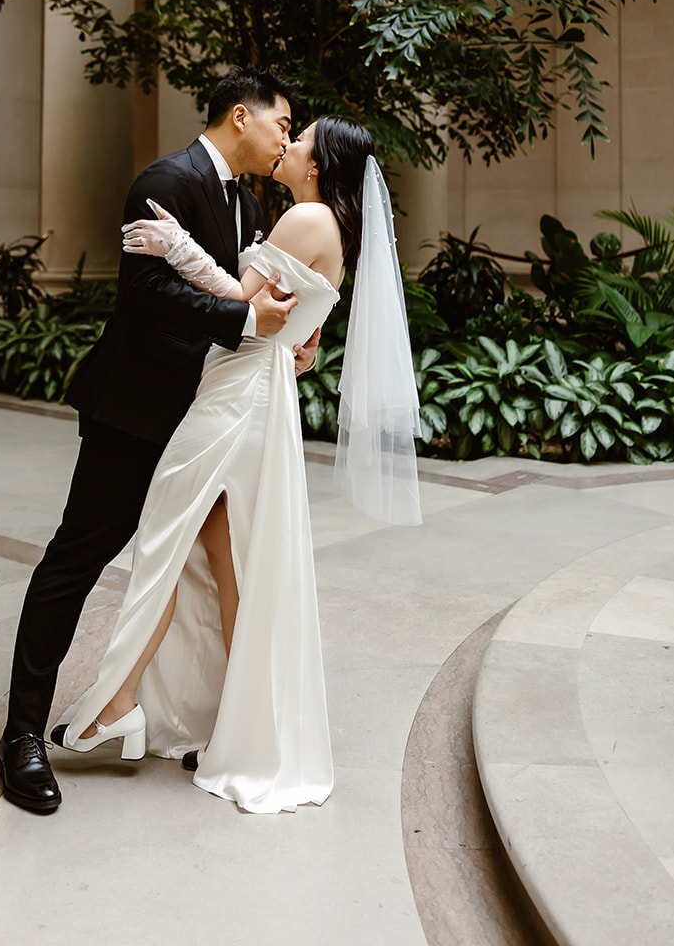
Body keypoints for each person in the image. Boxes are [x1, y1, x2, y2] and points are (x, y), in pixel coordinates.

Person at [48, 116, 421, 815]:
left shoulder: (308, 217)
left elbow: (236, 303)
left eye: (299, 136)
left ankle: (122, 704)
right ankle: (217, 715)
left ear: (320, 161)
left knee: (167, 533)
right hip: (249, 389)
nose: (288, 143)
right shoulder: (320, 221)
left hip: (236, 398)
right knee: (218, 558)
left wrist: (178, 247)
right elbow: (293, 330)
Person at [0, 67, 314, 813]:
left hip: (209, 421)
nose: (283, 139)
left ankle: (202, 724)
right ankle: (20, 737)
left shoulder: (243, 199)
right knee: (75, 560)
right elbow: (144, 295)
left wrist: (283, 338)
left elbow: (247, 292)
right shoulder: (163, 179)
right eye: (280, 124)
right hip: (137, 413)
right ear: (242, 116)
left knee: (216, 572)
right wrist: (245, 324)